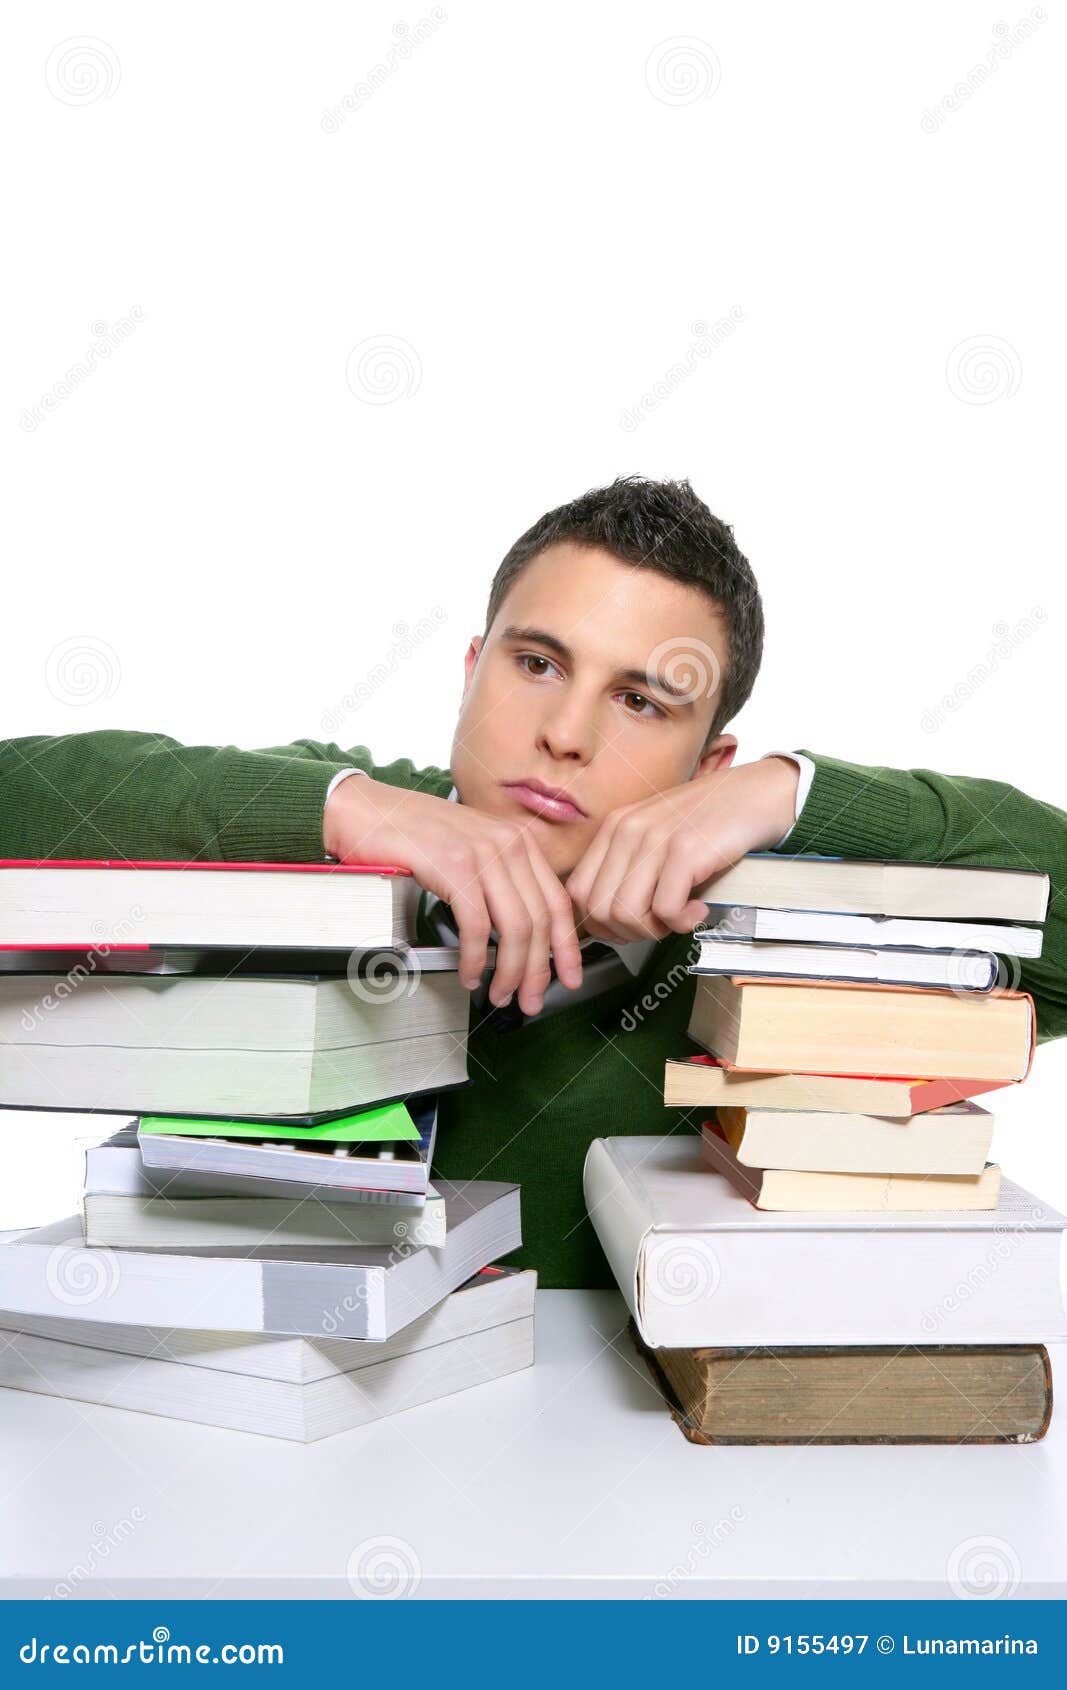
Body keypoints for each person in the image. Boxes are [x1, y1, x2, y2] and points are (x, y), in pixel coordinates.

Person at [3, 478, 1065, 1285]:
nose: (562, 735)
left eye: (640, 701)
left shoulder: (771, 949)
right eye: (537, 664)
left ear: (705, 769)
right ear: (471, 673)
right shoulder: (337, 829)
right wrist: (346, 808)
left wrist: (790, 796)